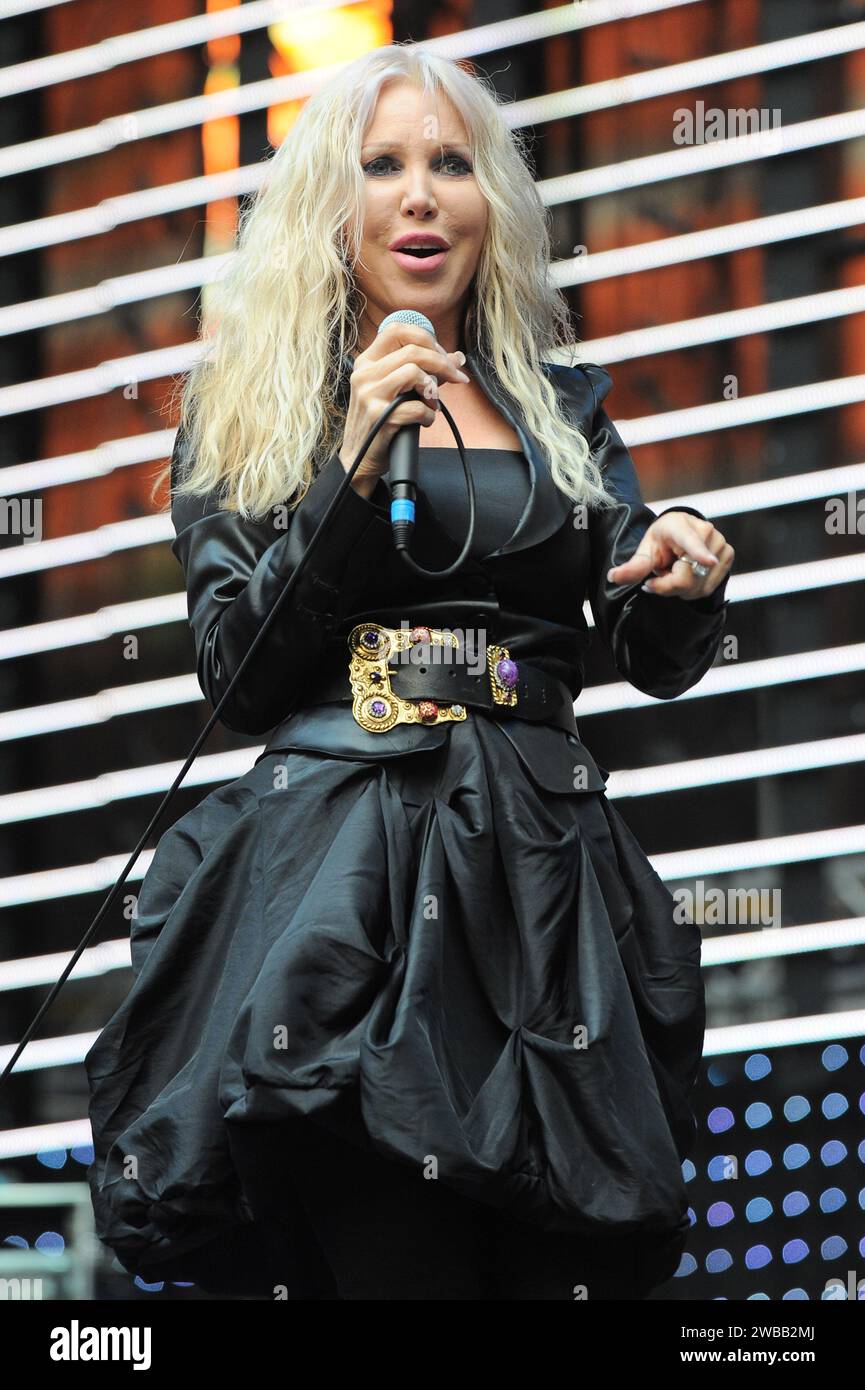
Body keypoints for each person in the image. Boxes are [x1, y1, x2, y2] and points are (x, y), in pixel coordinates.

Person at [85, 44, 734, 1301]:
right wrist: (347, 466)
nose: (420, 194)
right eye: (382, 165)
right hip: (350, 877)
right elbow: (240, 675)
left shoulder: (559, 405)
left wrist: (678, 580)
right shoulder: (248, 406)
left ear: (492, 202)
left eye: (451, 164)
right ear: (328, 208)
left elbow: (629, 652)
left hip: (543, 876)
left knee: (566, 1262)